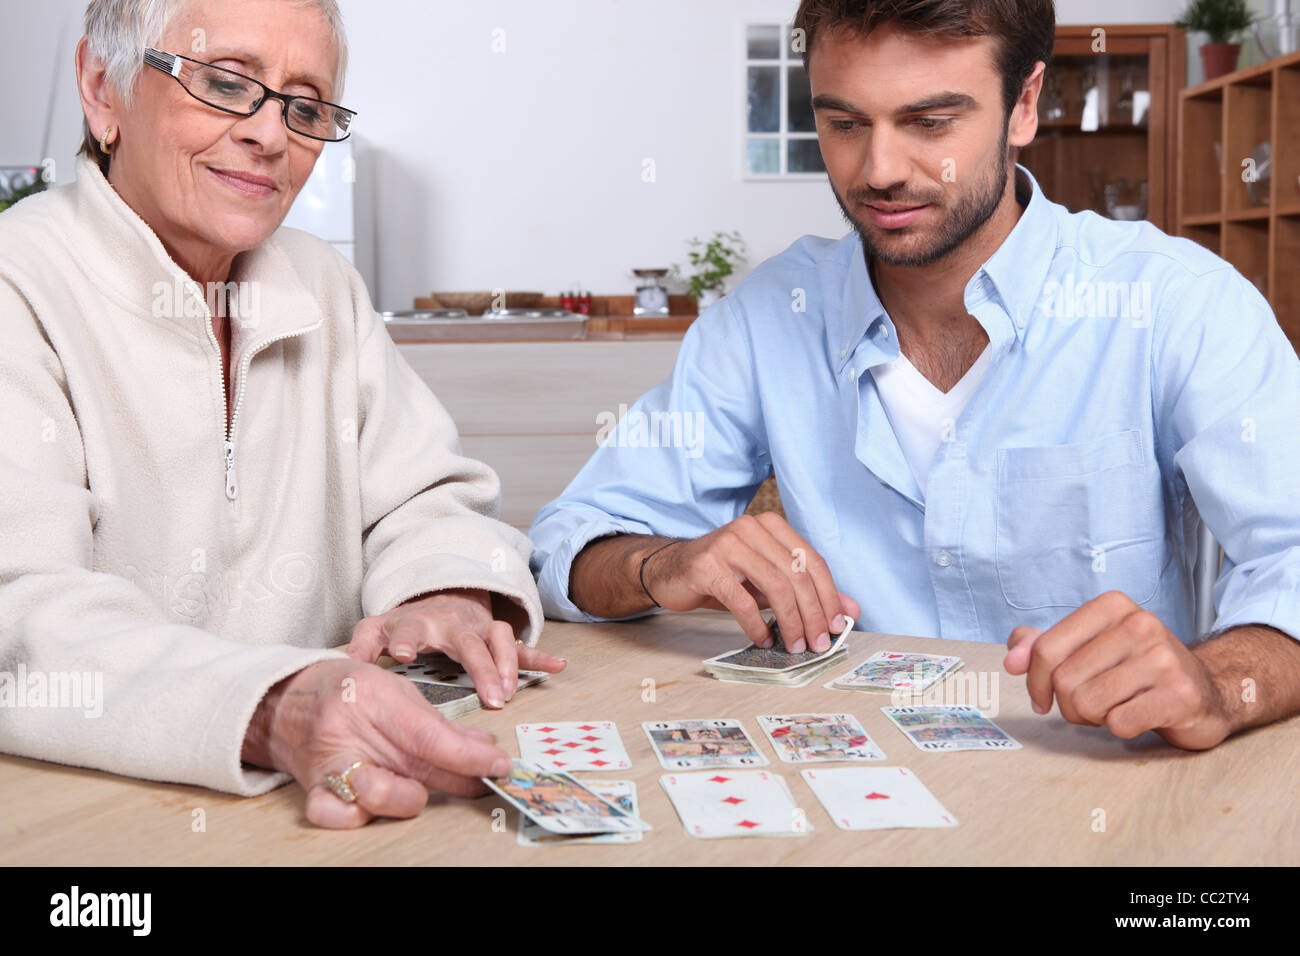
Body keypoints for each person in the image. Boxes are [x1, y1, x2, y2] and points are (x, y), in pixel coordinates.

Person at [529, 0, 1300, 751]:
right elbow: (566, 545)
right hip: (854, 788)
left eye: (931, 123)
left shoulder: (1177, 303)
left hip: (1107, 788)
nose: (880, 170)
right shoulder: (766, 318)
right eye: (844, 123)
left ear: (1024, 105)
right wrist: (664, 562)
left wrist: (1219, 683)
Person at [0, 0, 563, 830]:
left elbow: (424, 497)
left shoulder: (323, 282)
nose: (271, 135)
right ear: (101, 88)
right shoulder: (20, 285)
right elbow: (21, 614)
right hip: (88, 823)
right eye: (225, 82)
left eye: (304, 105)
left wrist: (440, 588)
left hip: (340, 803)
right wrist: (275, 709)